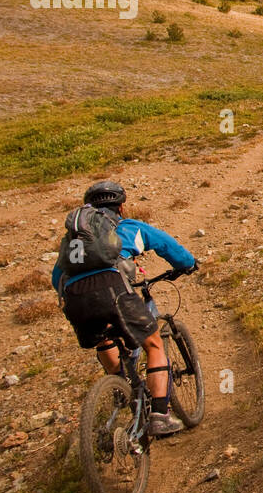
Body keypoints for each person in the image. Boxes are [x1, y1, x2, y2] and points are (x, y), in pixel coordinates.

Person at [51, 180, 198, 436]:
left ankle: (120, 384)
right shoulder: (127, 227)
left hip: (74, 298)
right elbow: (167, 246)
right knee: (153, 344)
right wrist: (188, 264)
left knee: (104, 338)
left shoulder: (75, 241)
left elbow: (57, 277)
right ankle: (160, 416)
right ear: (121, 207)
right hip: (112, 289)